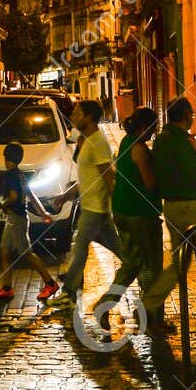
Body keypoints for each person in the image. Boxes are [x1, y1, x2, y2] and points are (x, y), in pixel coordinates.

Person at [151, 97, 196, 332]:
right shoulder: (180, 142)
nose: (192, 119)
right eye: (191, 114)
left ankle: (147, 305)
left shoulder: (162, 141)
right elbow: (191, 176)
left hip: (171, 207)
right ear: (185, 116)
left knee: (178, 264)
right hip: (190, 209)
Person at [100, 107, 177, 334]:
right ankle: (153, 320)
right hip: (140, 214)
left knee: (133, 263)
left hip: (123, 211)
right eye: (153, 128)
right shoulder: (140, 149)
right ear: (144, 127)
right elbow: (151, 183)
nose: (154, 133)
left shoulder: (126, 142)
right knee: (152, 268)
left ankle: (113, 308)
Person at [54, 99, 123, 309]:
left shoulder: (98, 142)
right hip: (93, 209)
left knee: (79, 248)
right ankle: (143, 271)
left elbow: (108, 176)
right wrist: (66, 195)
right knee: (123, 253)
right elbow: (87, 178)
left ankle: (68, 293)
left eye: (77, 112)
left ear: (88, 117)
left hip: (95, 209)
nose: (73, 116)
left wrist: (117, 206)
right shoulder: (85, 140)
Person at [0, 140, 59, 303]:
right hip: (17, 218)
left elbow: (14, 197)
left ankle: (50, 283)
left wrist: (3, 204)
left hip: (16, 219)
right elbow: (31, 195)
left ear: (6, 158)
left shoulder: (11, 175)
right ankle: (6, 288)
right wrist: (43, 213)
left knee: (27, 253)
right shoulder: (20, 174)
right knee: (4, 250)